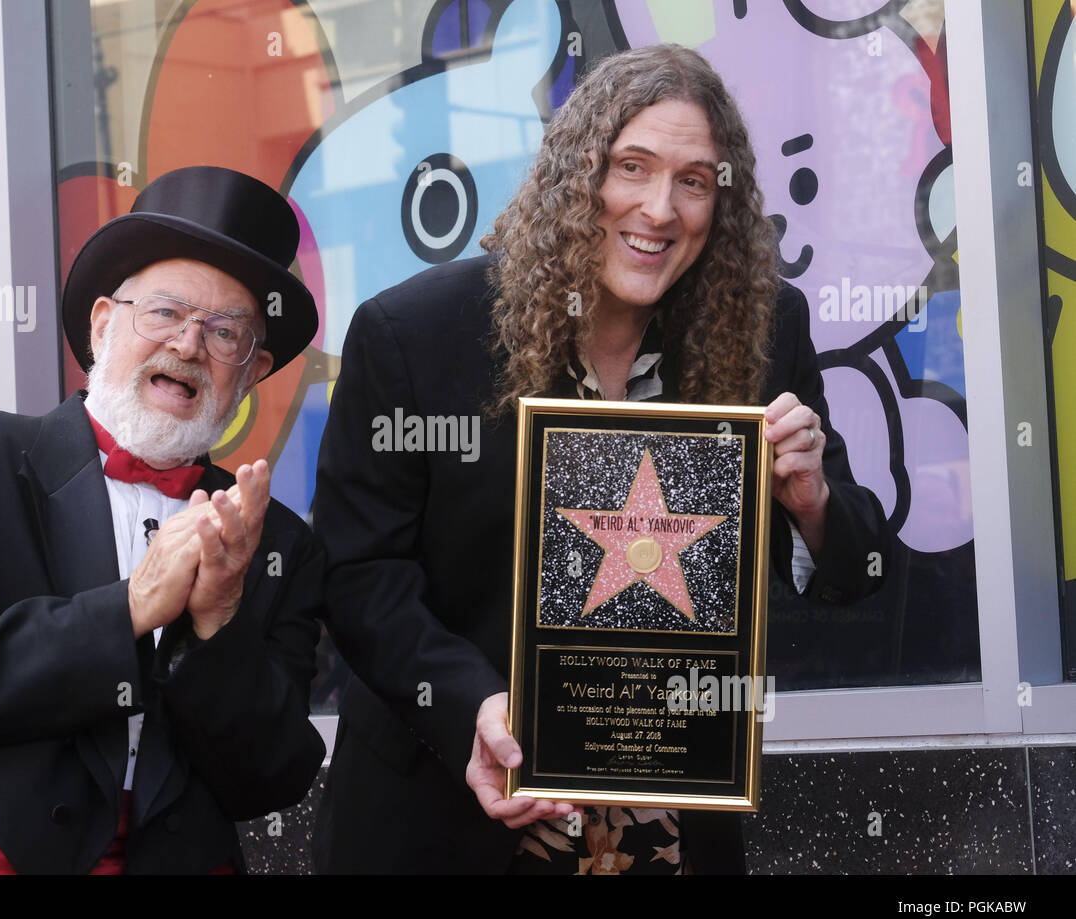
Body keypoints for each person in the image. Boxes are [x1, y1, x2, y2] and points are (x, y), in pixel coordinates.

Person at [311, 46, 891, 874]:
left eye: (693, 180)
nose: (659, 208)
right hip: (450, 816)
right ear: (576, 176)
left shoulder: (761, 331)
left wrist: (810, 499)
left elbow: (860, 566)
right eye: (632, 168)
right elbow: (358, 573)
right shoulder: (415, 338)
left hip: (669, 833)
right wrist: (472, 702)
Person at [0, 166, 326, 874]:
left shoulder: (275, 540)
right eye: (164, 312)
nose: (190, 344)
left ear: (251, 373)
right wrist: (130, 607)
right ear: (104, 325)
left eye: (225, 332)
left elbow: (273, 775)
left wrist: (219, 623)